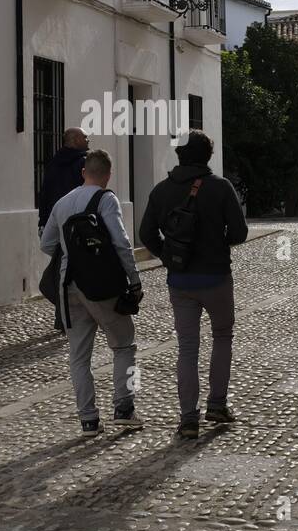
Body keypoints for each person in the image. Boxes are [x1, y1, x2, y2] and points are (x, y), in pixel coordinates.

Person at [139, 129, 247, 438]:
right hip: (215, 276)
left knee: (187, 347)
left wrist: (169, 256)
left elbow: (146, 234)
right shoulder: (221, 188)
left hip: (180, 280)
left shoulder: (161, 191)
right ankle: (217, 404)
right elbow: (239, 233)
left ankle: (188, 417)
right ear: (208, 156)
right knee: (222, 336)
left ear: (179, 155)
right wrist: (217, 243)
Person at [40, 148, 143, 436]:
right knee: (124, 345)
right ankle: (124, 408)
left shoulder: (62, 203)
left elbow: (46, 245)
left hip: (68, 286)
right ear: (108, 175)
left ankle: (88, 419)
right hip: (102, 287)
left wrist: (72, 249)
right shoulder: (106, 199)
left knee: (79, 356)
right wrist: (134, 280)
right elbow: (121, 243)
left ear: (83, 172)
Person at [38, 127, 89, 231]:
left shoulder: (53, 163)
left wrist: (42, 222)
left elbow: (45, 193)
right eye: (85, 137)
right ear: (75, 140)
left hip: (54, 220)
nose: (88, 140)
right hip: (76, 222)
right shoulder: (85, 163)